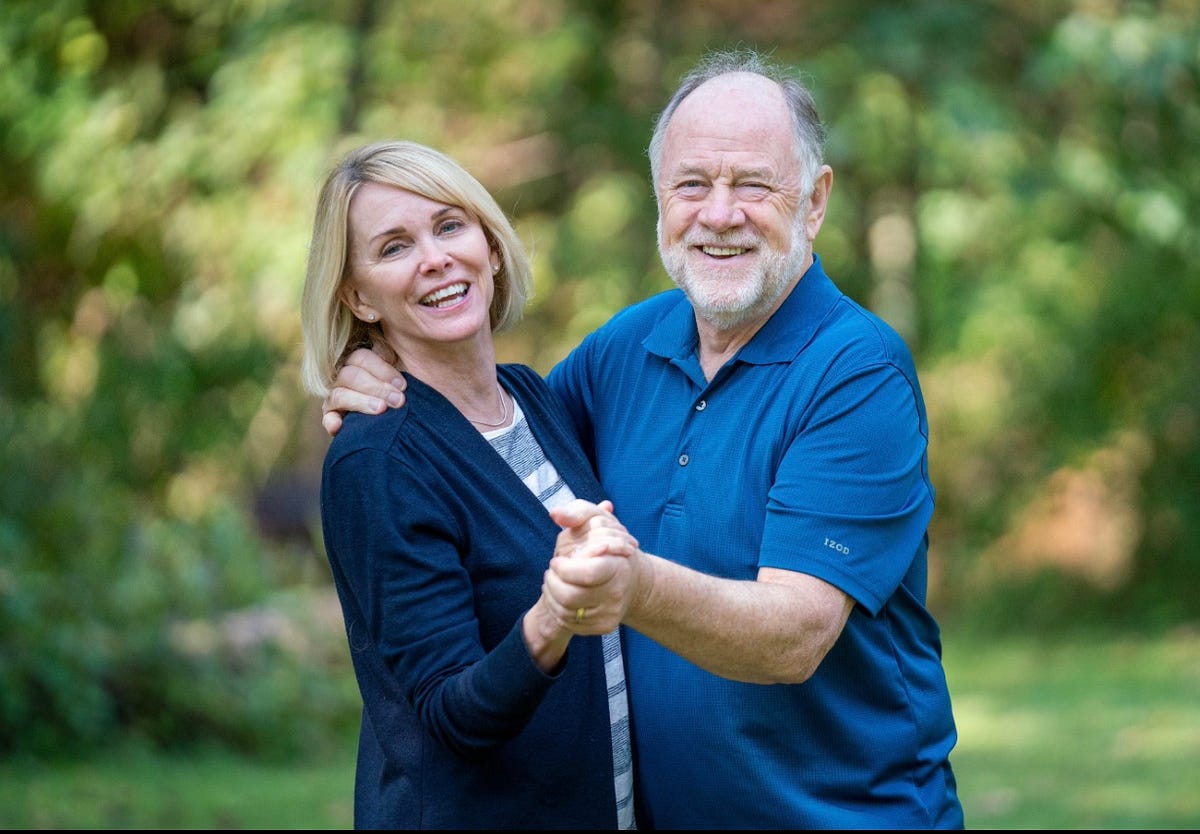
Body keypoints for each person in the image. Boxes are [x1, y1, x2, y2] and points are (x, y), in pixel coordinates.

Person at [323, 50, 965, 829]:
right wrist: (375, 368)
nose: (719, 214)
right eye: (691, 184)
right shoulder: (622, 353)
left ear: (815, 201)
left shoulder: (856, 373)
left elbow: (794, 637)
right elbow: (489, 460)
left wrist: (633, 589)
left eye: (753, 185)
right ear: (660, 199)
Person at [299, 139, 639, 829]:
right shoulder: (379, 461)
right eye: (394, 247)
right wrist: (554, 615)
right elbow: (449, 715)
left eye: (449, 225)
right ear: (359, 296)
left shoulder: (533, 398)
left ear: (489, 245)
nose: (435, 258)